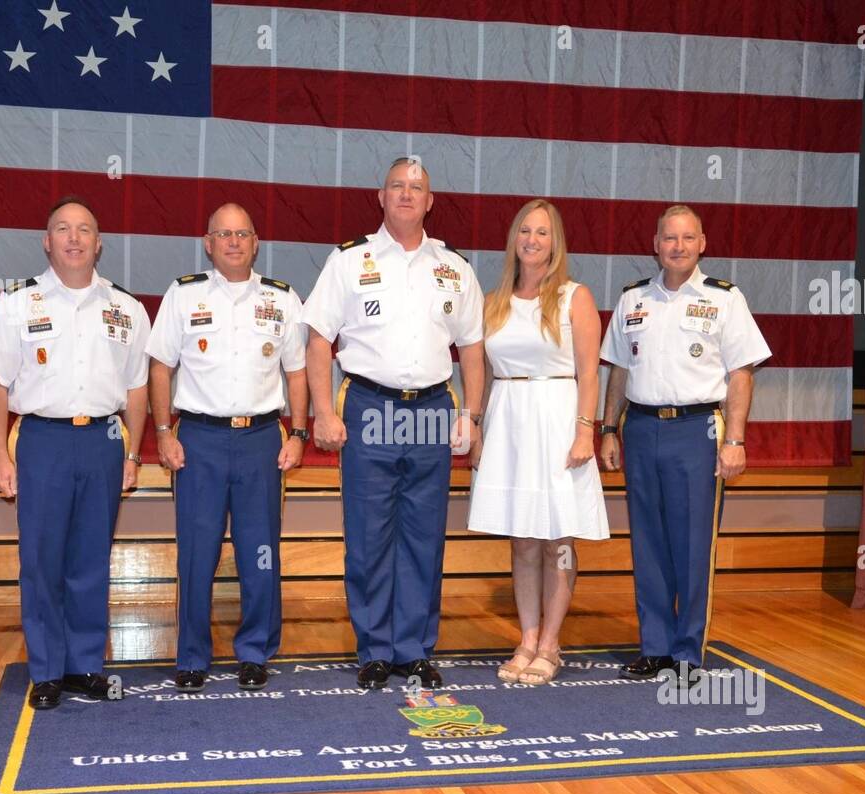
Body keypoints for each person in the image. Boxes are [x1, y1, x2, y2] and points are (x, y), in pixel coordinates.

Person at [303, 157, 486, 690]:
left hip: (431, 408)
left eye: (418, 188)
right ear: (379, 196)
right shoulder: (349, 260)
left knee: (424, 536)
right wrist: (323, 410)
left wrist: (469, 414)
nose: (407, 195)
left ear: (431, 201)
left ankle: (414, 648)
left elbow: (472, 347)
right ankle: (375, 648)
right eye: (397, 186)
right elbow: (319, 339)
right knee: (369, 536)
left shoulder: (455, 267)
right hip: (369, 407)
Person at [0, 196, 150, 710]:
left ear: (99, 244)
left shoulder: (127, 308)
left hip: (103, 441)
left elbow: (138, 389)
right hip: (43, 442)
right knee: (41, 560)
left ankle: (85, 666)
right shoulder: (16, 305)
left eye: (84, 230)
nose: (74, 238)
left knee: (91, 560)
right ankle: (48, 670)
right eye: (62, 229)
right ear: (47, 241)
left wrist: (133, 455)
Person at [597, 204, 771, 680]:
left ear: (702, 244)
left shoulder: (724, 299)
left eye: (687, 238)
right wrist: (608, 428)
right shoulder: (634, 300)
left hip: (698, 432)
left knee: (694, 544)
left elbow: (741, 373)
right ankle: (654, 645)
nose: (678, 247)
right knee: (648, 542)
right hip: (641, 427)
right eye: (669, 238)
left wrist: (734, 439)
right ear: (656, 245)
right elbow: (618, 369)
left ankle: (687, 652)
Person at [146, 204, 308, 692]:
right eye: (224, 234)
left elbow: (297, 371)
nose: (234, 242)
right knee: (197, 553)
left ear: (255, 242)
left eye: (242, 234)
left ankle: (255, 651)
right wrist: (162, 431)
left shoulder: (282, 299)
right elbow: (159, 366)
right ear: (208, 242)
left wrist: (298, 434)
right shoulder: (183, 294)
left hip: (261, 439)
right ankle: (193, 656)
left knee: (261, 551)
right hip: (199, 440)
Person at [467, 199, 609, 684]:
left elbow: (590, 372)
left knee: (559, 540)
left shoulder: (575, 296)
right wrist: (479, 429)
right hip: (510, 421)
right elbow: (483, 375)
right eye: (525, 230)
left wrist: (585, 430)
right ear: (514, 238)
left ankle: (551, 643)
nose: (532, 239)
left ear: (556, 242)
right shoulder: (494, 302)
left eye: (542, 232)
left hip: (559, 420)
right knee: (524, 539)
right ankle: (527, 638)